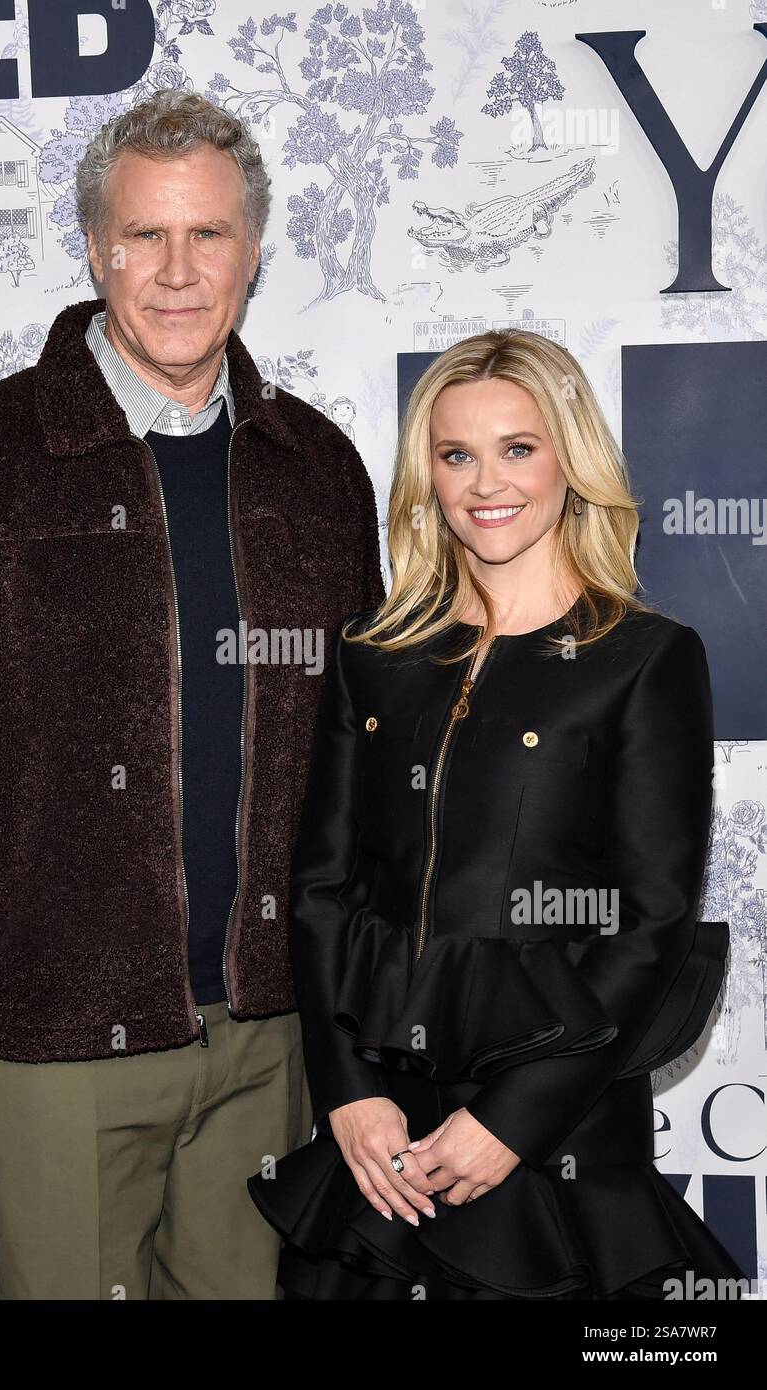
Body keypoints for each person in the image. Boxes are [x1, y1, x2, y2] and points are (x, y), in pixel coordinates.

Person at [0, 89, 385, 1300]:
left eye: (209, 236)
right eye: (144, 235)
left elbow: (362, 767)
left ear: (254, 249)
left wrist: (364, 1030)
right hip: (47, 1042)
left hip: (269, 1041)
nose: (176, 272)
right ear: (95, 247)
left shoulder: (319, 471)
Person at [247, 329, 744, 1300]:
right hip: (381, 1147)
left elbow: (647, 928)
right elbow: (319, 893)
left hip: (556, 1139)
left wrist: (513, 1122)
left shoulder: (644, 659)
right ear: (425, 475)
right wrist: (348, 1095)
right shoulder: (371, 652)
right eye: (455, 453)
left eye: (518, 446)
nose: (486, 482)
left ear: (571, 459)